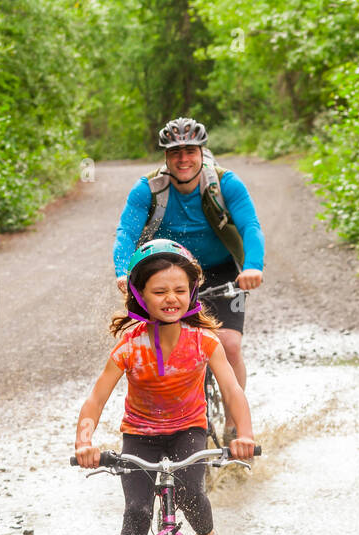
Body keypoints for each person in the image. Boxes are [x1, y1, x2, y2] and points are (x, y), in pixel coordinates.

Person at [76, 239, 256, 535]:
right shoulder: (129, 345)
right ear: (140, 294)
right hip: (140, 436)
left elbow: (231, 391)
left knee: (193, 493)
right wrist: (84, 441)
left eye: (179, 290)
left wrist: (242, 434)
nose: (170, 299)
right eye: (159, 291)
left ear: (192, 292)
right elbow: (96, 398)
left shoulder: (204, 341)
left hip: (188, 430)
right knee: (137, 512)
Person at [113, 116, 264, 443]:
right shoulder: (149, 189)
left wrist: (252, 266)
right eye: (175, 152)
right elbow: (126, 232)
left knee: (229, 343)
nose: (183, 159)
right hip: (169, 277)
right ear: (166, 157)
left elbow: (251, 226)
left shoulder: (226, 184)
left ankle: (235, 423)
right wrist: (123, 271)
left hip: (224, 274)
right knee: (160, 350)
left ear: (202, 152)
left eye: (190, 151)